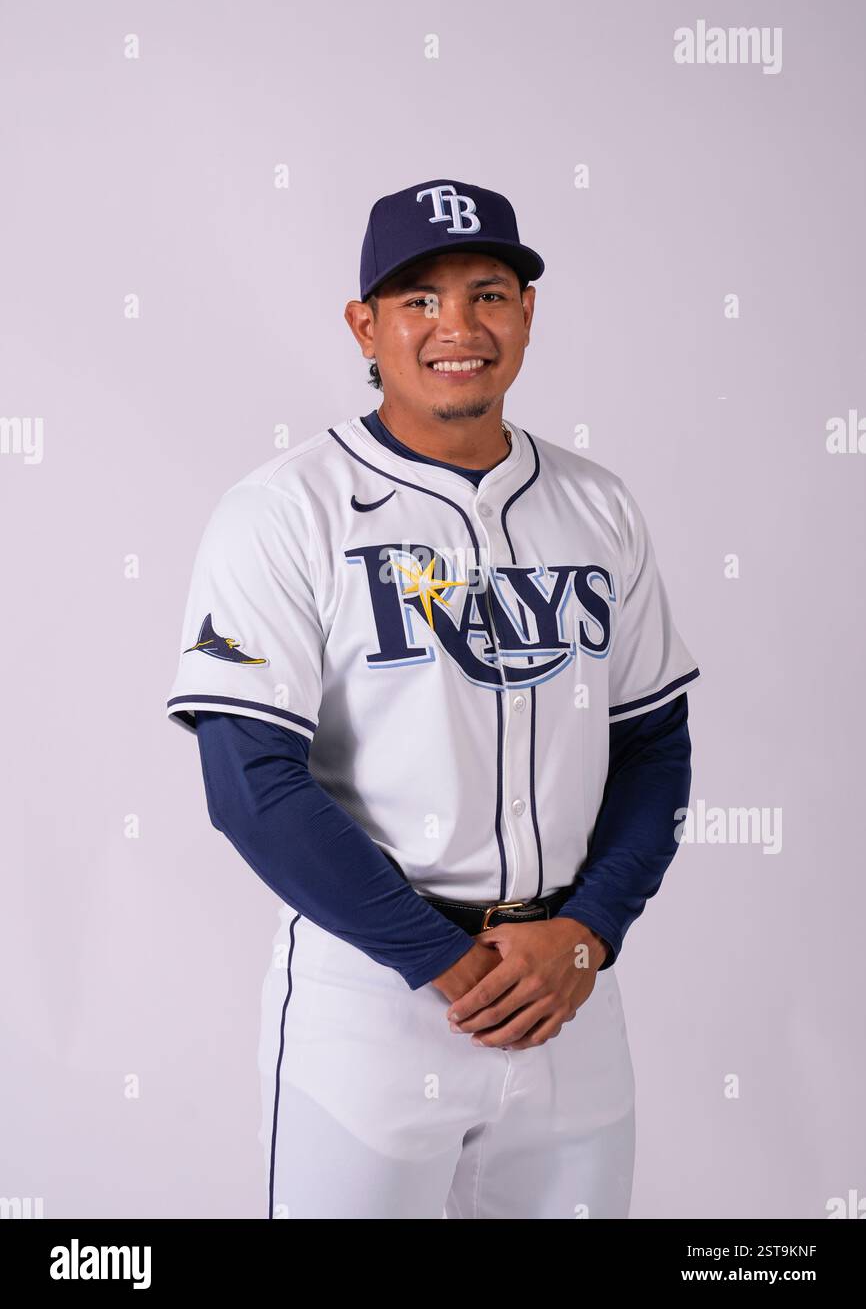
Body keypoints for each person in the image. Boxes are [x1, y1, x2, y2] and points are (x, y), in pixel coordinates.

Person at [166, 177, 700, 1219]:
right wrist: (444, 963)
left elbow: (653, 747)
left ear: (526, 313)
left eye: (487, 293)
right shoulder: (282, 511)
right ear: (364, 324)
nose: (456, 326)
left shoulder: (596, 504)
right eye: (418, 299)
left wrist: (585, 933)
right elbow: (248, 782)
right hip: (372, 998)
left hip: (566, 996)